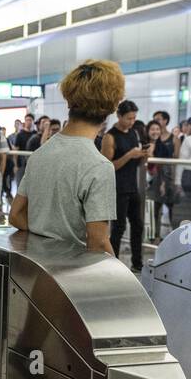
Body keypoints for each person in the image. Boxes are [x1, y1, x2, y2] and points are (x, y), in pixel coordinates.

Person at [9, 60, 121, 251]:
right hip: (72, 275)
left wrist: (49, 240)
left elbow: (16, 215)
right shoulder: (98, 166)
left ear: (69, 101)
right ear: (113, 106)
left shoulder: (40, 154)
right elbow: (98, 243)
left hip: (36, 268)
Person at [99, 100, 148, 271]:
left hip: (132, 186)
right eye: (128, 118)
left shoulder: (134, 133)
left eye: (134, 118)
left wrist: (144, 155)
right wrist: (128, 155)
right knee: (119, 227)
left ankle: (137, 262)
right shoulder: (110, 136)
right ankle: (113, 263)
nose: (132, 121)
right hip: (117, 188)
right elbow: (108, 166)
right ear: (119, 116)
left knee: (138, 225)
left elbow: (138, 163)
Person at [147, 115, 180, 236]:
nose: (155, 132)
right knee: (151, 211)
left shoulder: (164, 147)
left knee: (167, 208)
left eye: (157, 129)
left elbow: (165, 166)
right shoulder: (143, 145)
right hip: (146, 182)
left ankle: (172, 236)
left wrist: (164, 183)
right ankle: (150, 238)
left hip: (161, 180)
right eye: (152, 129)